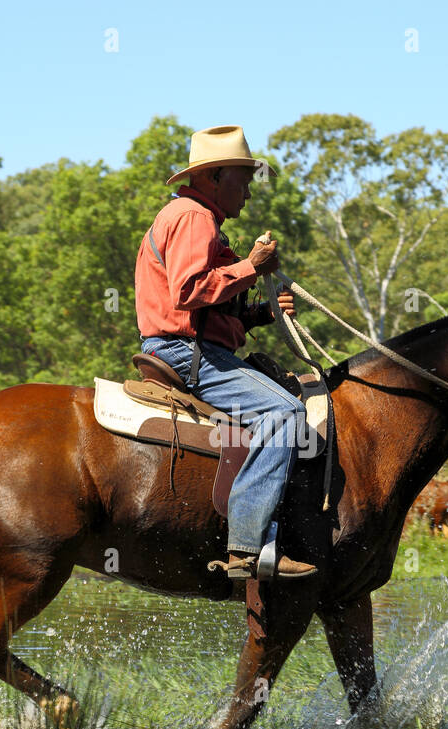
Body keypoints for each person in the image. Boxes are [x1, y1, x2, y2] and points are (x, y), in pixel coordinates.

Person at [136, 125, 317, 580]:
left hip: (187, 344)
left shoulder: (193, 217)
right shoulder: (194, 217)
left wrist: (261, 314)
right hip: (184, 350)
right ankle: (248, 547)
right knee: (286, 413)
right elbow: (190, 291)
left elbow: (211, 308)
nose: (250, 193)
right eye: (245, 180)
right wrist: (251, 266)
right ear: (215, 176)